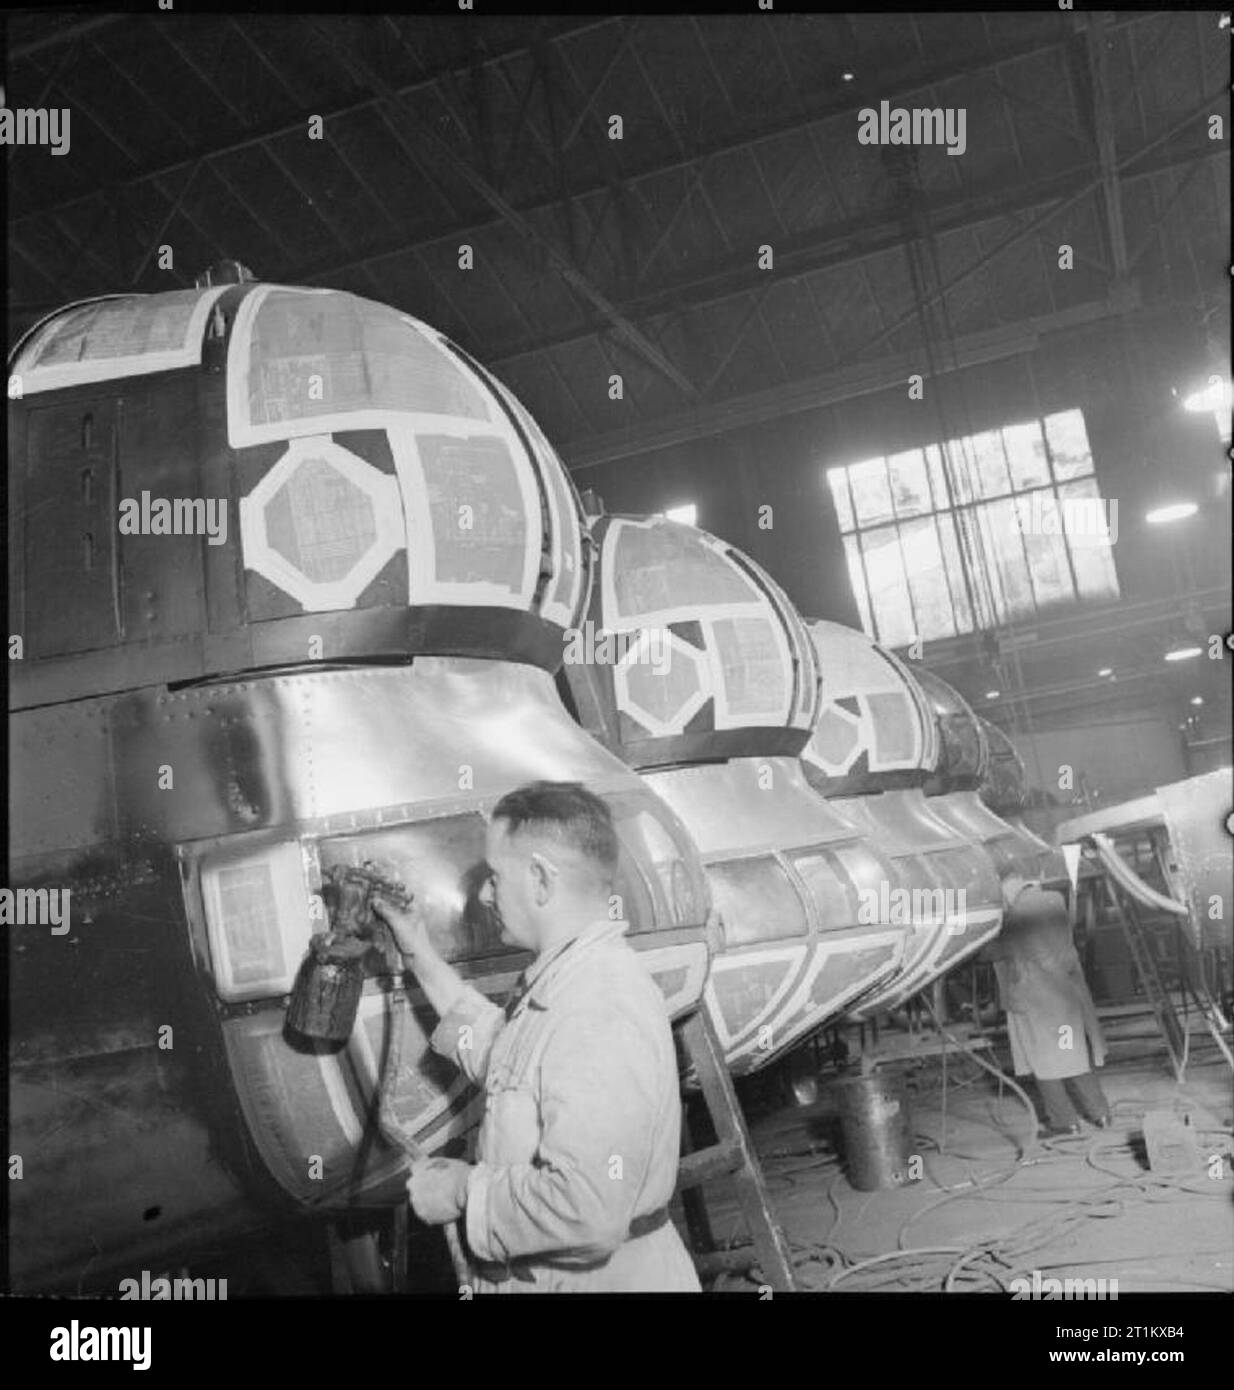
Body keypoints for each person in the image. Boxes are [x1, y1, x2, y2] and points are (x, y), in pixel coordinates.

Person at [372, 780, 701, 1293]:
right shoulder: (570, 983)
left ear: (542, 881)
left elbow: (587, 1209)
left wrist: (462, 1192)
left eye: (496, 877)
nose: (486, 893)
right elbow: (508, 1060)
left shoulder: (597, 1009)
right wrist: (417, 951)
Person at [984, 875, 1111, 1136]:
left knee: (1044, 1062)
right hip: (1065, 993)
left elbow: (992, 953)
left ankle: (1065, 1122)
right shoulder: (1055, 901)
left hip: (1034, 1001)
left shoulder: (1012, 917)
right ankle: (1101, 1115)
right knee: (1074, 1056)